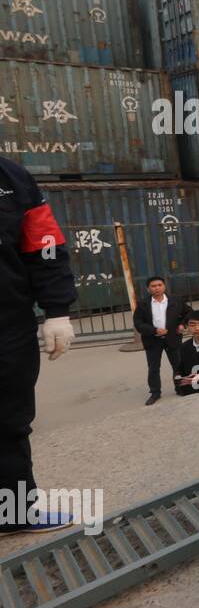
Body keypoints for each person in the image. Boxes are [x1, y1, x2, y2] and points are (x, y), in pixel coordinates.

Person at [0, 157, 78, 535]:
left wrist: (58, 310)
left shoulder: (12, 179)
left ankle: (13, 513)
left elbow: (45, 247)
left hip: (6, 327)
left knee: (10, 424)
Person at [131, 275, 191, 406]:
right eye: (153, 286)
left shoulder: (175, 300)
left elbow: (189, 313)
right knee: (153, 367)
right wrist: (154, 331)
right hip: (152, 340)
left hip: (172, 338)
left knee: (178, 365)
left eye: (159, 285)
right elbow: (138, 323)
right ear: (148, 289)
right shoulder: (143, 304)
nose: (157, 288)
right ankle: (155, 393)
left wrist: (183, 325)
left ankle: (180, 388)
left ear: (164, 286)